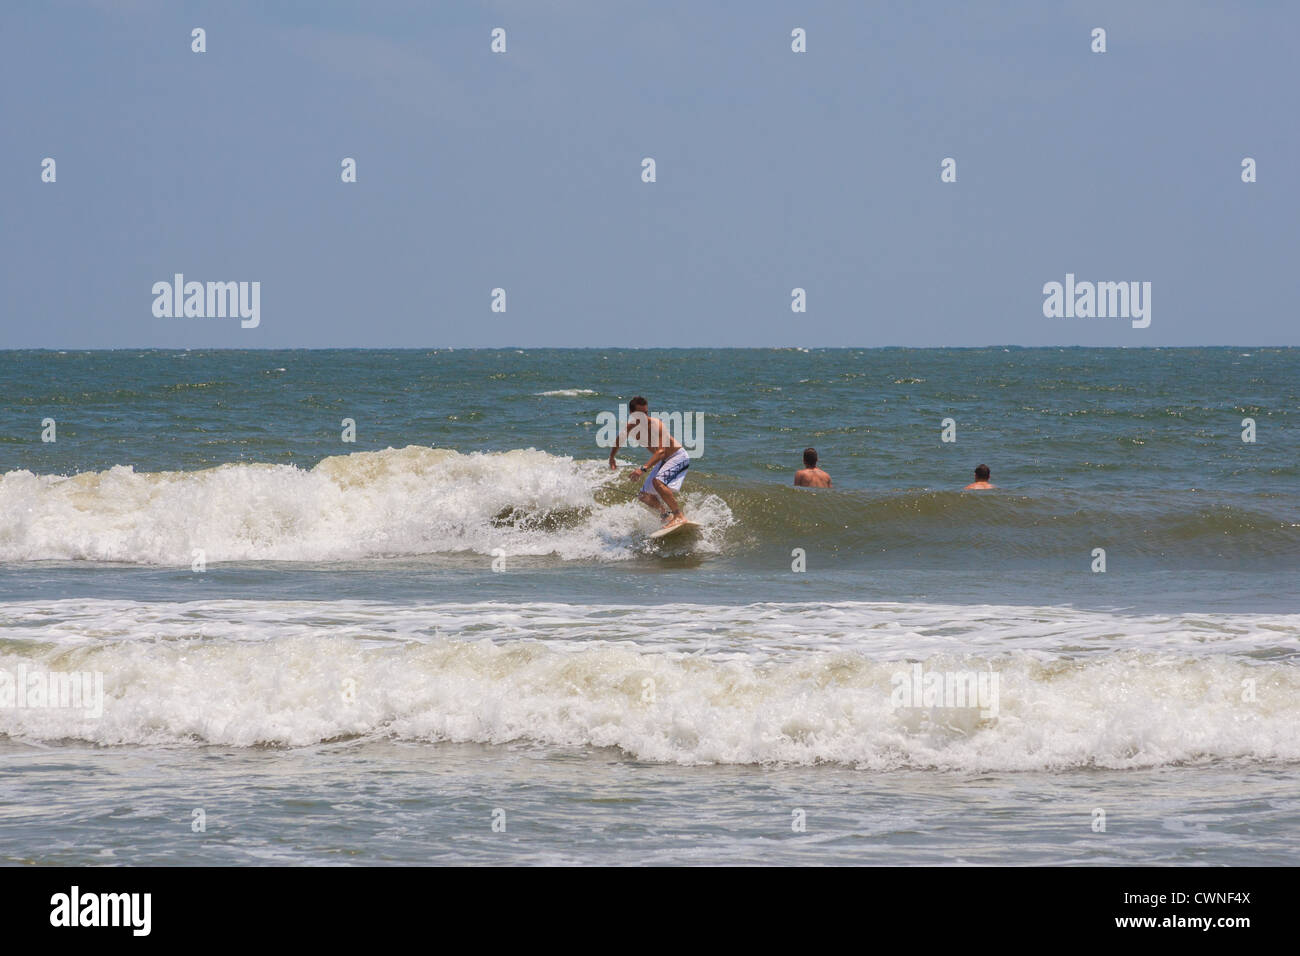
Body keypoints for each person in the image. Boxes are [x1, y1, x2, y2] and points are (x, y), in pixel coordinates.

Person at [608, 396, 689, 530]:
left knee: (658, 482)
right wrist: (612, 457)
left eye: (646, 412)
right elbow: (619, 440)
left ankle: (679, 516)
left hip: (677, 456)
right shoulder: (630, 428)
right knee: (643, 496)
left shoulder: (656, 425)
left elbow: (662, 451)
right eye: (641, 414)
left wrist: (643, 469)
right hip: (663, 460)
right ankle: (665, 515)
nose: (645, 416)